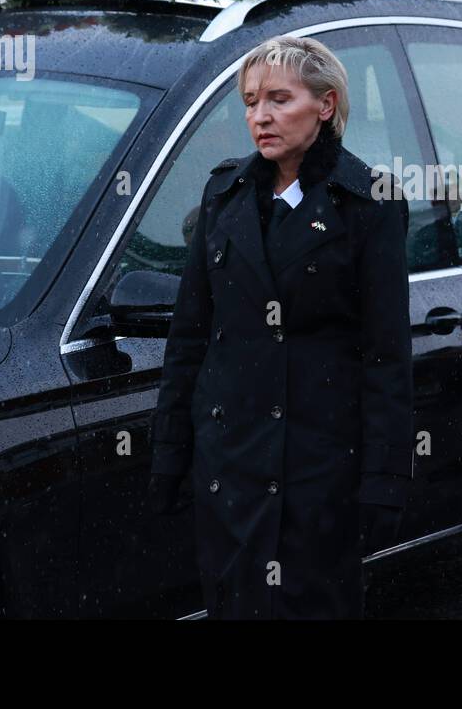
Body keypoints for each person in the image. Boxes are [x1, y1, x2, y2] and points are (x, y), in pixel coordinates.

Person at [149, 35, 414, 619]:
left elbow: (385, 352)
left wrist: (385, 476)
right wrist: (171, 452)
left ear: (325, 105)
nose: (260, 117)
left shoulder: (367, 200)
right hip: (231, 464)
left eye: (278, 99)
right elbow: (189, 338)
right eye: (249, 102)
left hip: (318, 467)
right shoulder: (224, 194)